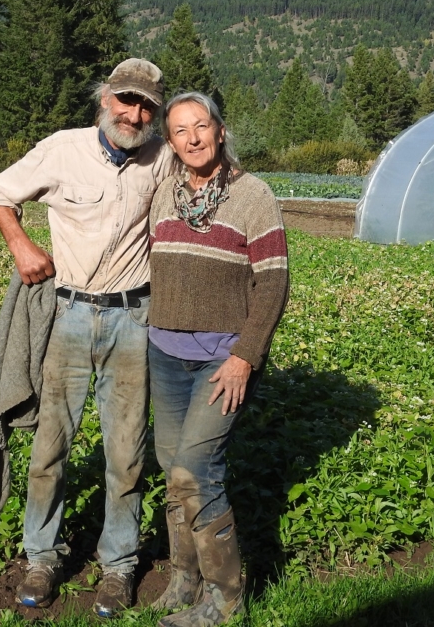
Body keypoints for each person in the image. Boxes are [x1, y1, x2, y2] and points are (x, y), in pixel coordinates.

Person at [0, 58, 171, 618]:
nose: (133, 115)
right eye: (126, 100)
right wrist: (20, 243)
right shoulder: (62, 149)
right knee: (51, 446)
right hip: (67, 314)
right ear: (105, 99)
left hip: (133, 317)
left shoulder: (161, 158)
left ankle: (119, 565)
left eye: (146, 107)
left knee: (127, 452)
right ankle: (42, 556)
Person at [146, 92, 289, 627]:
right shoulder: (164, 194)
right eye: (180, 131)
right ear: (171, 141)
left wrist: (245, 357)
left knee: (195, 471)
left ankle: (225, 600)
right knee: (172, 472)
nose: (193, 138)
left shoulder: (254, 195)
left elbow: (273, 282)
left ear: (220, 131)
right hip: (166, 354)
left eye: (201, 126)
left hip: (221, 361)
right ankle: (184, 579)